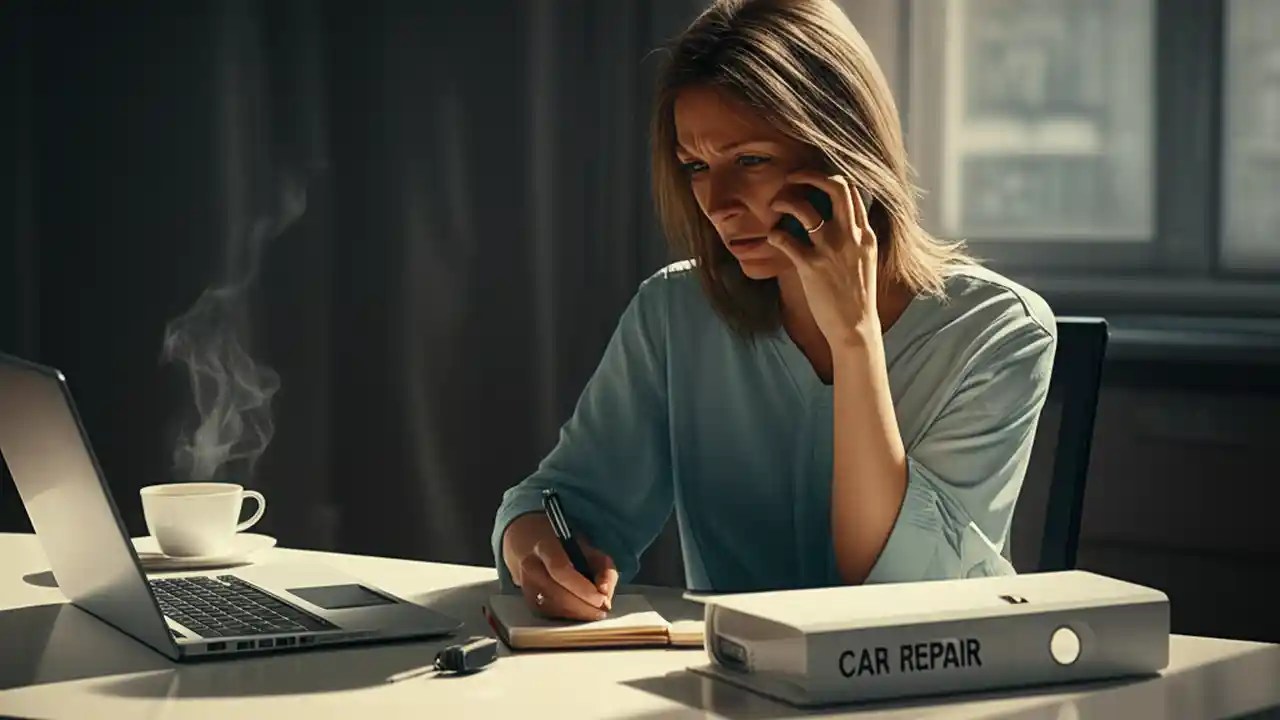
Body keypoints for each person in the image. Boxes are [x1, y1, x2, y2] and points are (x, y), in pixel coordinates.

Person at [492, 0, 1057, 621]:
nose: (719, 203)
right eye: (697, 167)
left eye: (750, 160)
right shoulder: (674, 312)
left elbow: (896, 589)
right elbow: (564, 501)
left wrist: (854, 339)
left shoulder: (999, 331)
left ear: (843, 149)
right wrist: (530, 547)